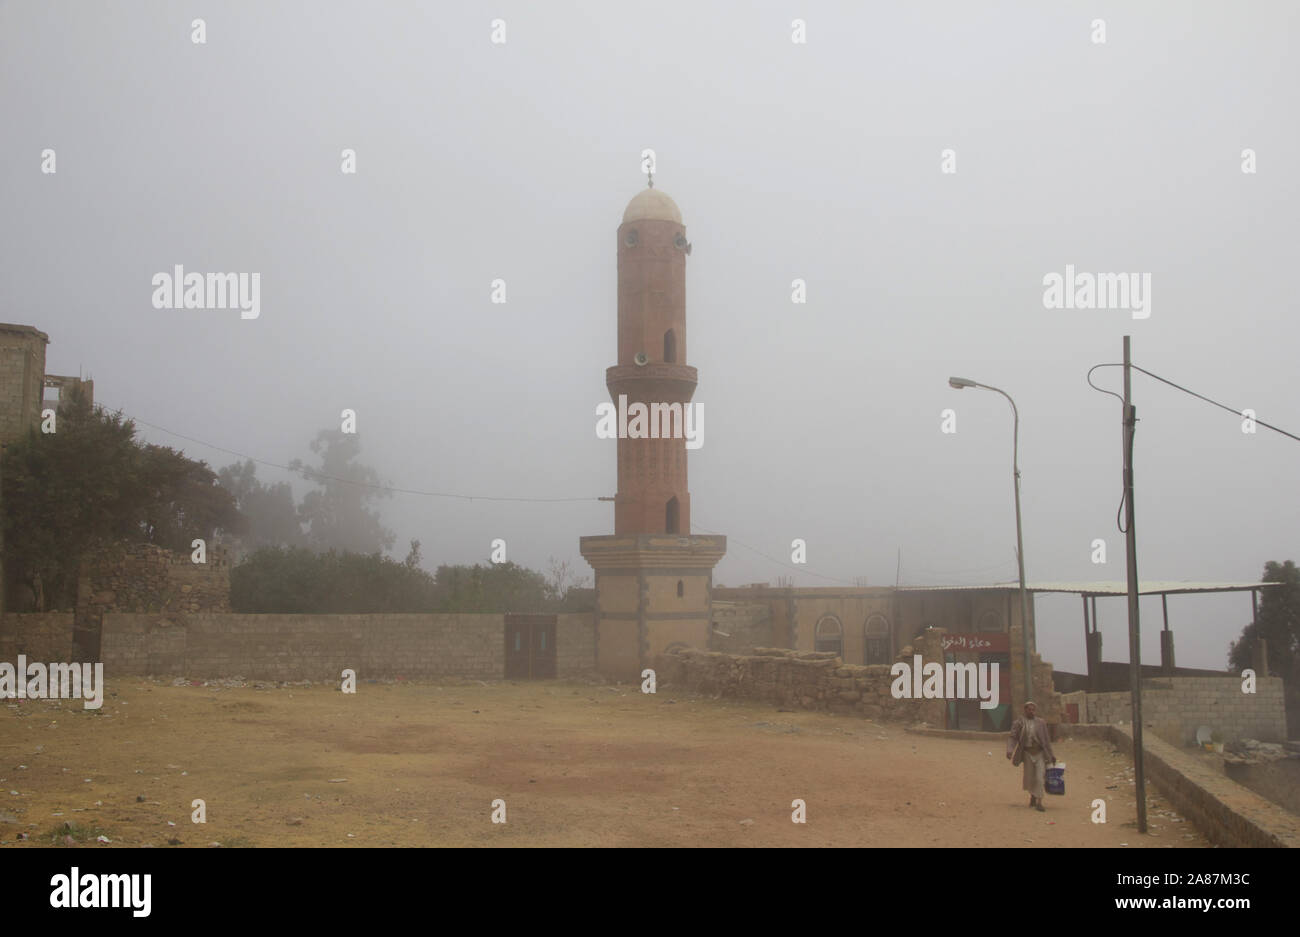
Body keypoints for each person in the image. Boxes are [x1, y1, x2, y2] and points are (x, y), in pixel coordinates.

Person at [1006, 700, 1056, 811]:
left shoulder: (1041, 723)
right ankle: (1033, 796)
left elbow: (1046, 741)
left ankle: (1039, 802)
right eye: (1029, 709)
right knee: (1030, 778)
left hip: (1040, 754)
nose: (1031, 711)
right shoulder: (1019, 723)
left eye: (1033, 709)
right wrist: (1010, 750)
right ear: (1025, 710)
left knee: (1039, 777)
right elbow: (1013, 737)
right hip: (1027, 753)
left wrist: (1051, 755)